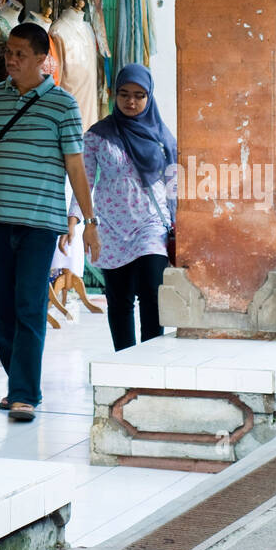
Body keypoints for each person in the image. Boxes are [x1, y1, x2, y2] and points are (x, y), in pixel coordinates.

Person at [0, 22, 99, 422]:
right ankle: (20, 385)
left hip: (40, 224)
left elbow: (76, 167)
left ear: (42, 59)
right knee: (3, 308)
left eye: (19, 55)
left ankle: (23, 393)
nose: (10, 60)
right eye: (7, 53)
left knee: (29, 306)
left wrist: (87, 219)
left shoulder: (63, 105)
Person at [83, 63, 177, 352]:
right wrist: (84, 222)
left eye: (139, 95)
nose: (131, 101)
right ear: (114, 95)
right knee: (120, 300)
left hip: (150, 225)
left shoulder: (162, 137)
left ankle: (151, 360)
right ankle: (124, 362)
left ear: (150, 97)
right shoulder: (98, 134)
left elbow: (175, 183)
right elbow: (83, 180)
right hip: (111, 227)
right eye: (124, 94)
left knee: (152, 292)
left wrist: (182, 220)